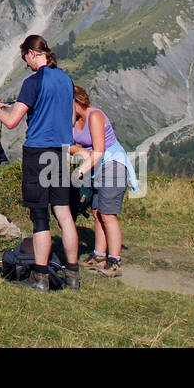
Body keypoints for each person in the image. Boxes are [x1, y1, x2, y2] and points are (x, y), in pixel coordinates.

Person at [0, 35, 80, 292]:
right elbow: (68, 115)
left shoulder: (33, 82)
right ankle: (72, 274)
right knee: (63, 212)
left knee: (40, 216)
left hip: (38, 150)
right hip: (60, 150)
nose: (26, 64)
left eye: (25, 59)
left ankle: (41, 277)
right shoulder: (66, 79)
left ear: (32, 53)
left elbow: (11, 122)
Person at [70, 85, 138, 278]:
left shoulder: (95, 116)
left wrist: (80, 170)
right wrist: (80, 152)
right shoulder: (76, 119)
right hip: (97, 169)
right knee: (97, 211)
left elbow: (98, 150)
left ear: (76, 101)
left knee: (108, 215)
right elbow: (68, 144)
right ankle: (99, 255)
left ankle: (114, 260)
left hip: (113, 167)